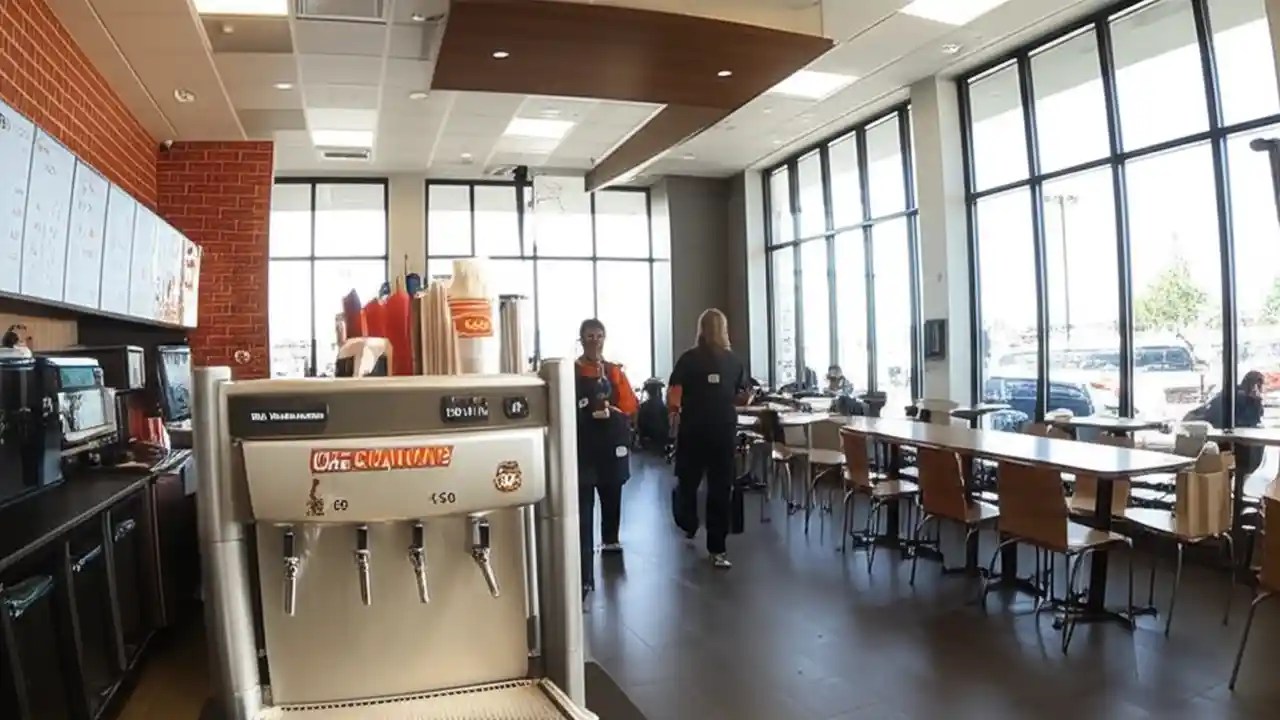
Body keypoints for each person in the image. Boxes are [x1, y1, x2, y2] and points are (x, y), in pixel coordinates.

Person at [668, 308, 750, 569]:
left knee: (688, 483)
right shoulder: (733, 361)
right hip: (722, 431)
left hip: (693, 430)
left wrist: (673, 415)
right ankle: (718, 549)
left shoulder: (688, 359)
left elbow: (674, 393)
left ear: (700, 329)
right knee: (719, 488)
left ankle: (689, 524)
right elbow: (742, 396)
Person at [574, 319, 638, 597]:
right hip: (584, 447)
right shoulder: (572, 373)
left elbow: (630, 404)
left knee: (613, 491)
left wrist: (614, 409)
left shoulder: (614, 372)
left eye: (599, 336)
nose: (595, 341)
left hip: (611, 444)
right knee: (584, 502)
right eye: (590, 336)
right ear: (581, 339)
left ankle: (610, 539)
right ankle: (583, 565)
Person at [1186, 370, 1266, 475]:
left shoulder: (1232, 392)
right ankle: (1239, 483)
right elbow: (1251, 420)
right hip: (1225, 440)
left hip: (1208, 429)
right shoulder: (1243, 398)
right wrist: (1257, 400)